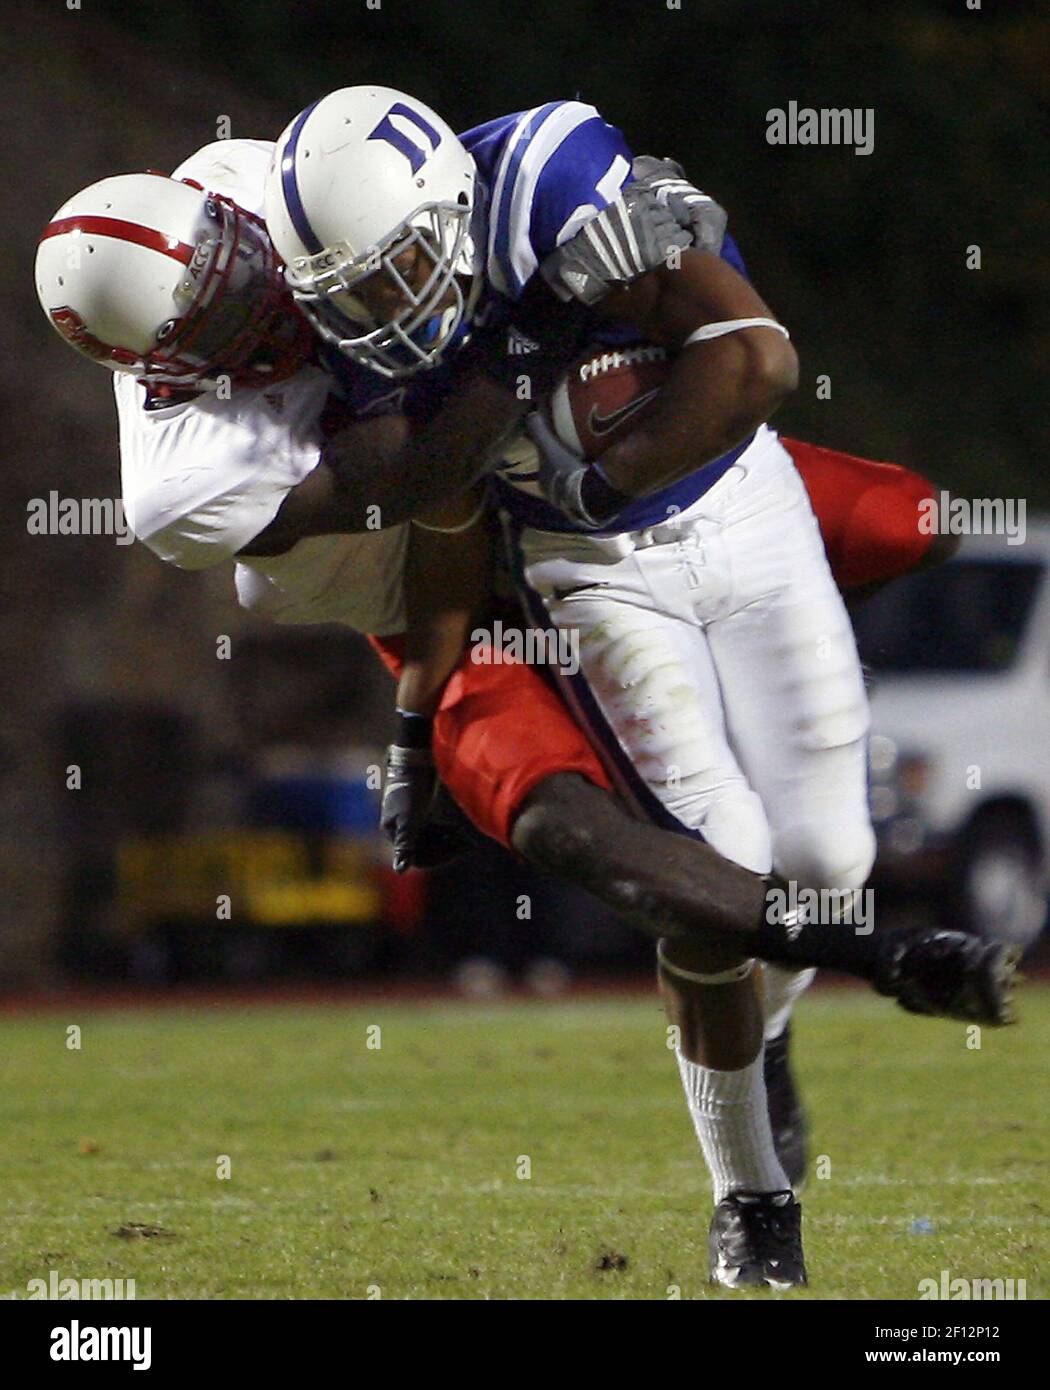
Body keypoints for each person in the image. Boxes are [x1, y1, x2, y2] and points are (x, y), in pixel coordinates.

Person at [37, 128, 1017, 1289]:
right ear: (160, 365)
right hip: (438, 571)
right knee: (576, 827)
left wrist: (640, 206)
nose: (255, 299)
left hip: (595, 488)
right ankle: (759, 1163)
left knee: (917, 521)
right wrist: (416, 726)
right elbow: (409, 478)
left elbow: (438, 187)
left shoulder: (265, 188)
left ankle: (781, 991)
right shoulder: (181, 480)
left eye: (236, 263)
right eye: (209, 319)